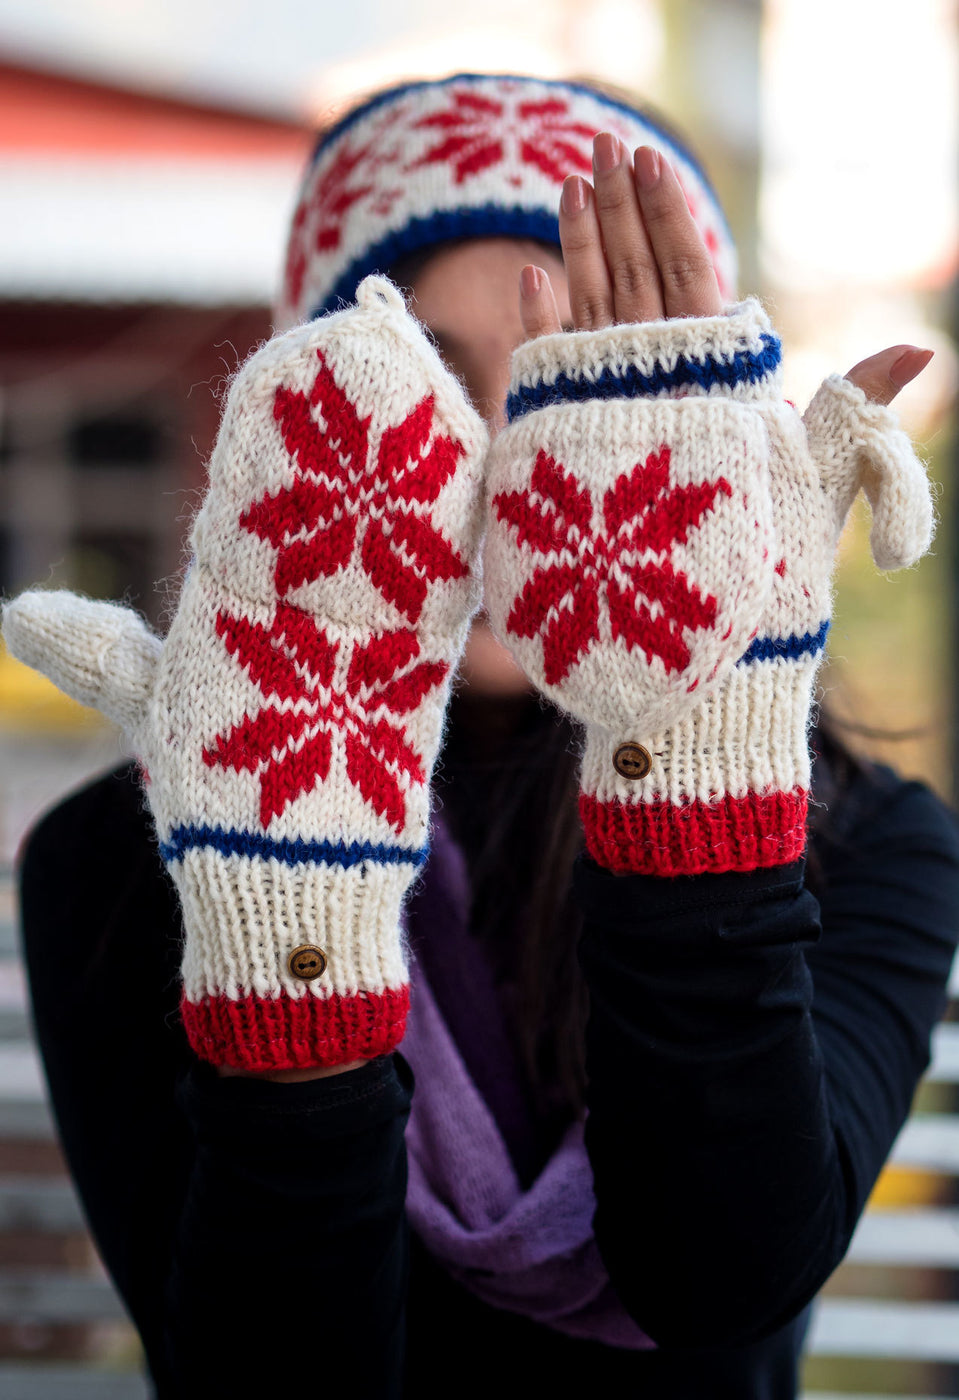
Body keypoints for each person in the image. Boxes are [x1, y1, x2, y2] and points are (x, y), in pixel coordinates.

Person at [5, 74, 959, 1400]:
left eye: (577, 382)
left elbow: (724, 1277)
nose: (518, 463)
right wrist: (293, 903)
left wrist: (684, 750)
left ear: (711, 439)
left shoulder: (864, 841)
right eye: (436, 392)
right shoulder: (128, 855)